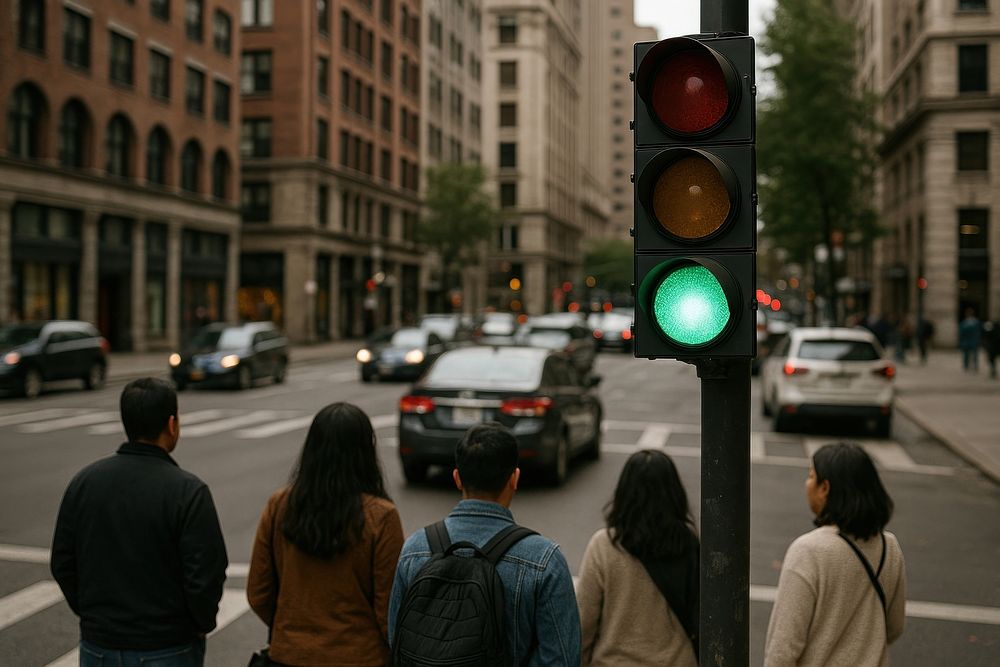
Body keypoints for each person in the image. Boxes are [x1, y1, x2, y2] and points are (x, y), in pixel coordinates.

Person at [51, 378, 228, 666]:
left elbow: (62, 562)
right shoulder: (187, 491)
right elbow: (206, 573)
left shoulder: (84, 483)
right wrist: (200, 623)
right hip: (168, 646)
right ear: (171, 424)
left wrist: (93, 615)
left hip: (99, 645)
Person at [388, 423, 581, 665]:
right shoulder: (544, 560)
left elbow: (397, 639)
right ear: (514, 478)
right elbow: (562, 658)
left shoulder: (414, 549)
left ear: (457, 478)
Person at [247, 403, 403, 667]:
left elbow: (259, 592)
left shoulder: (280, 505)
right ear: (366, 452)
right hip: (359, 656)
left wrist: (288, 628)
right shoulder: (381, 515)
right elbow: (388, 608)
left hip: (288, 655)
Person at [764, 443, 906, 667]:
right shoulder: (890, 547)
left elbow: (783, 648)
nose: (807, 484)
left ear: (825, 488)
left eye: (811, 476)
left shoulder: (808, 551)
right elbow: (894, 627)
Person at [577, 450, 699, 666]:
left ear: (623, 493)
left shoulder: (604, 545)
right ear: (674, 494)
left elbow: (584, 623)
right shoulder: (689, 545)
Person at [959, 308, 982, 372]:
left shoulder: (976, 322)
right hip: (966, 341)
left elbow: (978, 332)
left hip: (973, 340)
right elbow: (961, 333)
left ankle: (975, 366)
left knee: (975, 354)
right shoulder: (964, 322)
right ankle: (966, 366)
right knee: (966, 355)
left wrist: (978, 340)